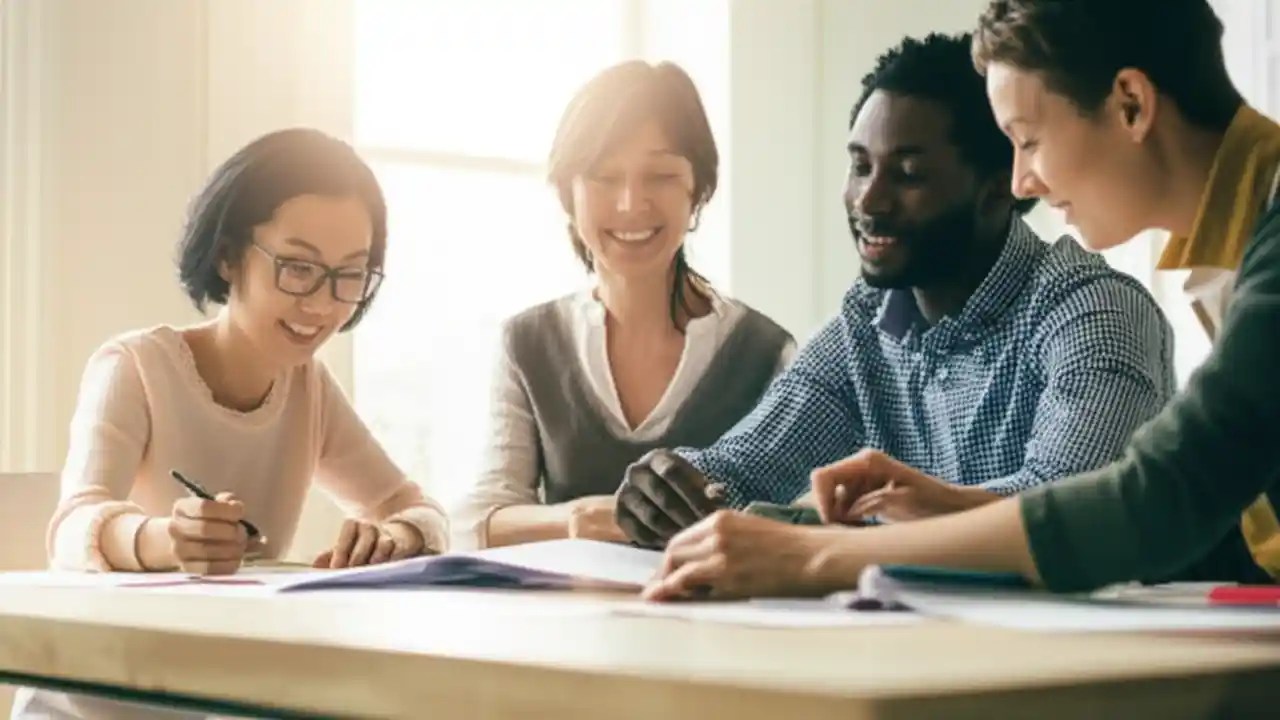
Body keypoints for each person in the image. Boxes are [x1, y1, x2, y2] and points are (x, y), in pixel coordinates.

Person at [643, 0, 1280, 602]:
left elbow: (1158, 497)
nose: (1022, 180)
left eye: (1027, 140)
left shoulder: (1150, 286)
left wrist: (812, 556)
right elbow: (1191, 493)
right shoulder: (1238, 246)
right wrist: (943, 506)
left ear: (1131, 105)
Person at [615, 33, 1175, 549]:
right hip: (926, 642)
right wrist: (670, 488)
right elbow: (739, 469)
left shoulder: (1095, 313)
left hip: (1095, 649)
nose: (870, 201)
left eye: (907, 174)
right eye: (860, 166)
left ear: (999, 186)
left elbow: (1063, 510)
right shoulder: (865, 327)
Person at [46, 128, 448, 577]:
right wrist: (166, 540)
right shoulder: (136, 366)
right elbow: (71, 528)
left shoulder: (308, 386)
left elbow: (416, 508)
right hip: (137, 640)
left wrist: (399, 537)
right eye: (297, 267)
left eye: (350, 273)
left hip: (253, 635)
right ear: (227, 256)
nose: (322, 304)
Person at [450, 61, 794, 550]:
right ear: (568, 194)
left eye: (660, 175)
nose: (632, 203)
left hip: (711, 620)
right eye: (604, 177)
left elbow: (799, 518)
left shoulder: (765, 353)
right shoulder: (526, 343)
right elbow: (474, 521)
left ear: (698, 190)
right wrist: (577, 519)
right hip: (568, 620)